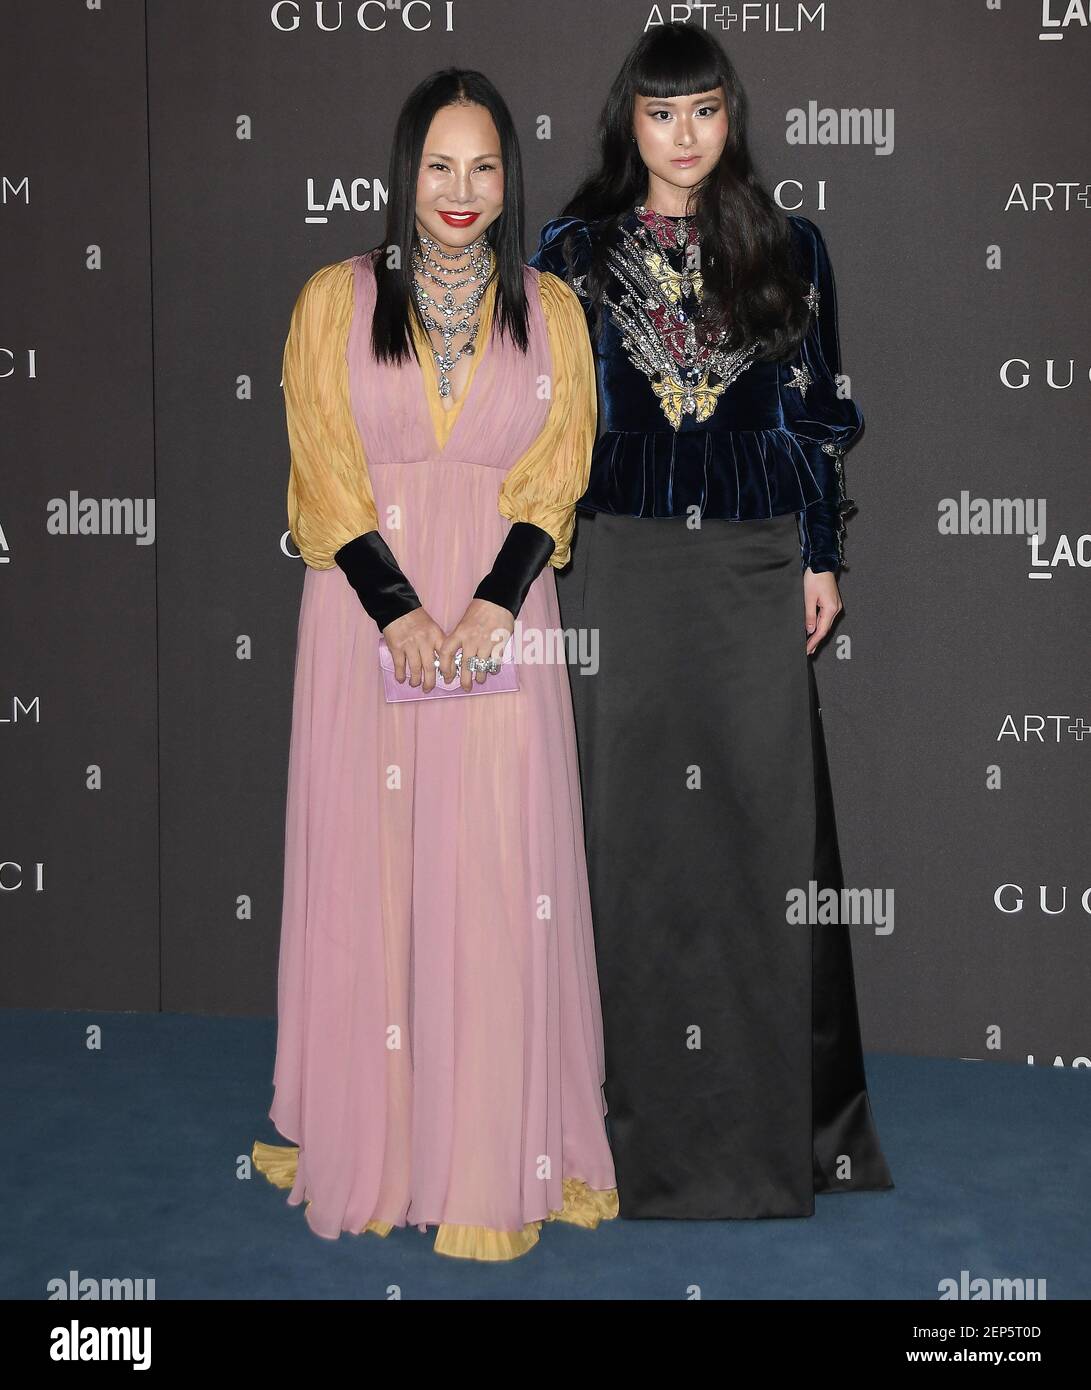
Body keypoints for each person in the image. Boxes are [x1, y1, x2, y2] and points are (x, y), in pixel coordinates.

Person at [528, 23, 894, 1218]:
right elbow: (549, 424)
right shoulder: (570, 253)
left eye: (702, 112)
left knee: (757, 840)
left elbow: (816, 416)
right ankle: (619, 1139)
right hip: (625, 569)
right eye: (658, 113)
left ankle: (776, 1133)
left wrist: (820, 556)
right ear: (624, 123)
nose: (682, 138)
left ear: (729, 118)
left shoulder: (788, 246)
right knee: (626, 844)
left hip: (749, 571)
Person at [251, 69, 618, 1261]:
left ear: (510, 181)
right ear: (404, 171)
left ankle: (490, 1148)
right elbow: (322, 465)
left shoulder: (549, 309)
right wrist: (404, 613)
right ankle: (386, 1141)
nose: (459, 193)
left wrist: (488, 611)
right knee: (380, 873)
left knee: (498, 877)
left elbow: (553, 472)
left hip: (503, 629)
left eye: (484, 168)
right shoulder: (335, 300)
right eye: (437, 165)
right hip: (367, 627)